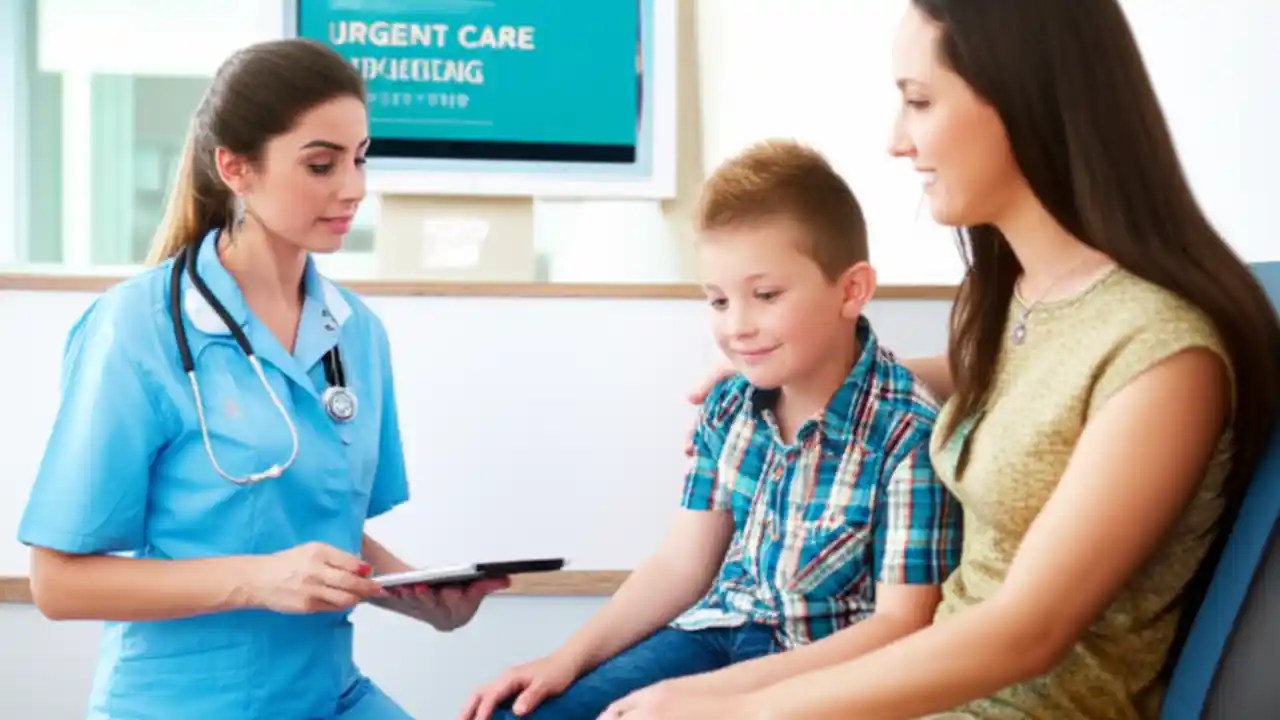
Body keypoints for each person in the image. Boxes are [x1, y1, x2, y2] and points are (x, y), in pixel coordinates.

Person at [602, 1, 1280, 719]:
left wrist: (742, 711)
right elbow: (1012, 388)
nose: (898, 141)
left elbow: (1027, 633)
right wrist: (802, 376)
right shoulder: (1014, 301)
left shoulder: (1164, 357)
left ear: (1023, 98)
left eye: (919, 102)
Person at [16, 38, 507, 719]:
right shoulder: (138, 327)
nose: (354, 188)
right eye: (320, 164)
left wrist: (420, 598)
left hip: (329, 696)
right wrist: (257, 580)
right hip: (182, 706)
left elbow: (319, 524)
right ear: (235, 167)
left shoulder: (355, 332)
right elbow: (60, 585)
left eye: (361, 159)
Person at [462, 139, 964, 720]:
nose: (738, 327)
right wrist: (565, 660)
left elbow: (899, 627)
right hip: (711, 631)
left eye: (766, 296)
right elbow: (682, 565)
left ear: (851, 290)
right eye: (719, 301)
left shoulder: (907, 433)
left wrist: (716, 697)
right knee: (516, 715)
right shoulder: (730, 407)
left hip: (815, 665)